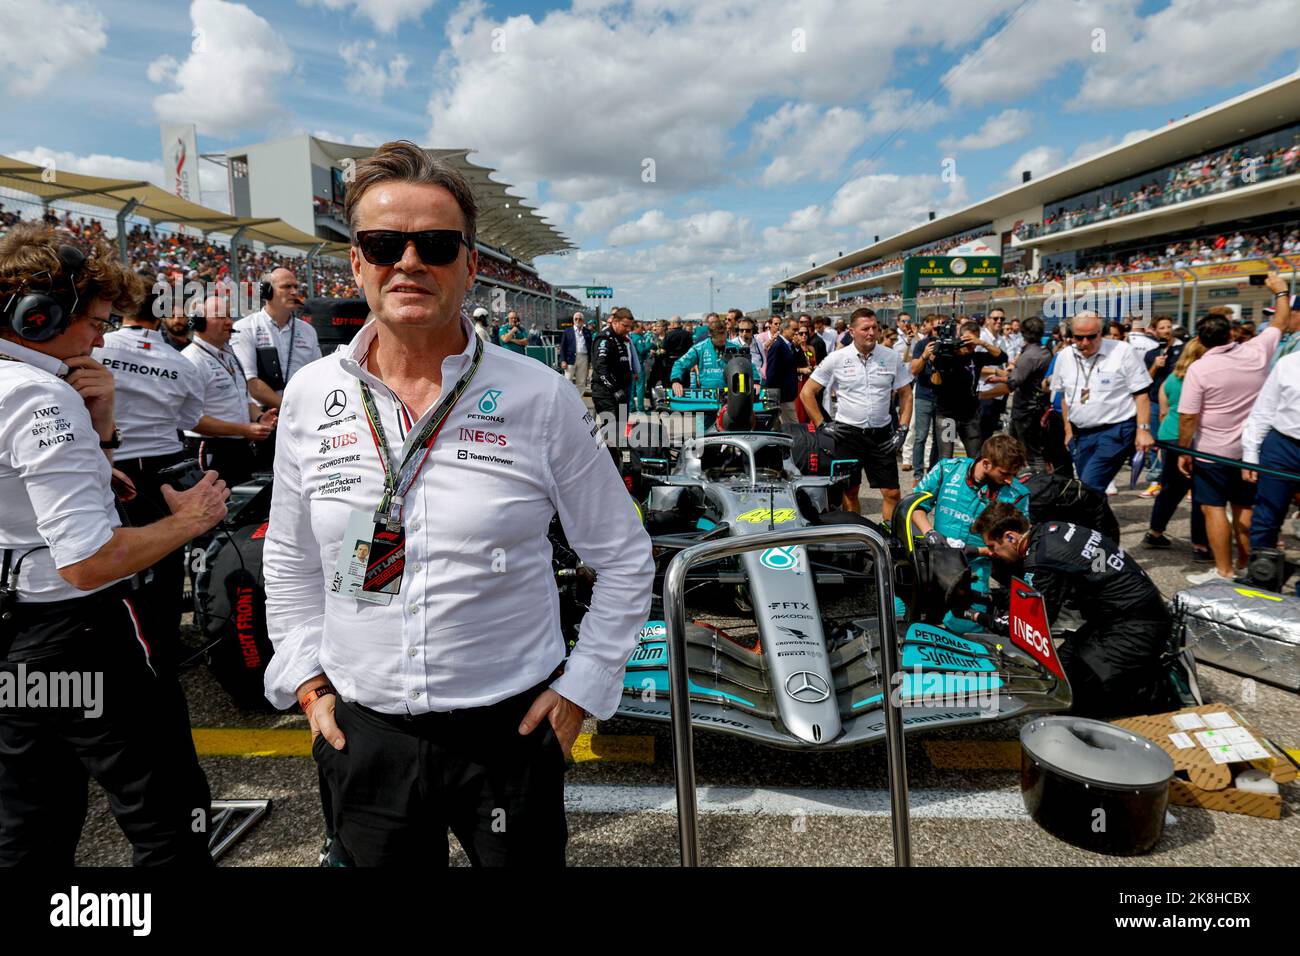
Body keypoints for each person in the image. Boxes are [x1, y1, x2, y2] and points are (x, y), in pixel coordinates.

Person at [262, 141, 653, 867]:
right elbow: (288, 557)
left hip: (510, 733)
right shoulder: (312, 395)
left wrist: (582, 690)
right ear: (356, 262)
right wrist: (309, 687)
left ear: (470, 265)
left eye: (436, 244)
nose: (409, 261)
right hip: (362, 732)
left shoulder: (540, 397)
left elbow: (625, 558)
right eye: (384, 243)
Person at [0, 223, 225, 865]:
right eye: (97, 321)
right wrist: (189, 521)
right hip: (83, 632)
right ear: (38, 318)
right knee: (167, 815)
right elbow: (87, 561)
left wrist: (100, 432)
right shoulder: (39, 394)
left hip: (17, 640)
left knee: (31, 814)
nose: (103, 336)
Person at [975, 502, 1183, 719]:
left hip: (1136, 624)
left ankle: (1162, 705)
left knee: (1077, 691)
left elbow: (1028, 624)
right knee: (1062, 669)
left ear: (1010, 537)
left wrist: (974, 615)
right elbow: (1029, 594)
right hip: (1120, 615)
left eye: (992, 546)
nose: (990, 553)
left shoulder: (1041, 558)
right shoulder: (1050, 530)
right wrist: (981, 596)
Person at [1180, 276, 1292, 584]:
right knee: (1245, 508)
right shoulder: (1257, 351)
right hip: (1249, 449)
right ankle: (1248, 566)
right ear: (1231, 333)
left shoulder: (1199, 368)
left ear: (1200, 342)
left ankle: (1224, 571)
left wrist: (1184, 449)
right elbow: (1281, 321)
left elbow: (1188, 416)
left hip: (1212, 451)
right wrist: (1280, 290)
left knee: (1213, 509)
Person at [909, 435, 1030, 634]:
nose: (1009, 479)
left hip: (975, 567)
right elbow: (914, 506)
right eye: (1005, 473)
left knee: (967, 630)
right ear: (986, 463)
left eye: (1013, 474)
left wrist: (977, 550)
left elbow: (1015, 547)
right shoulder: (947, 469)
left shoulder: (1017, 494)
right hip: (935, 560)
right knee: (907, 615)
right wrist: (929, 532)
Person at [801, 308, 912, 520]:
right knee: (850, 492)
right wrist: (822, 424)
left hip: (881, 435)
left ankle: (888, 538)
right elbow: (807, 392)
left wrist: (903, 428)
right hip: (847, 435)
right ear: (852, 331)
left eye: (875, 328)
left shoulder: (891, 357)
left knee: (892, 492)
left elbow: (906, 395)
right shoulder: (837, 358)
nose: (871, 333)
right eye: (865, 329)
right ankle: (857, 537)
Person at [1051, 310, 1154, 495]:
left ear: (1101, 332)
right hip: (1080, 434)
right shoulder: (1065, 356)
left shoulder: (1123, 351)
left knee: (1090, 488)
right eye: (1079, 337)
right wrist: (1068, 431)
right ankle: (1104, 525)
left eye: (1091, 337)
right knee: (1089, 489)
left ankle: (1080, 523)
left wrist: (1143, 430)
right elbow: (1065, 396)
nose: (1085, 343)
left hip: (1115, 431)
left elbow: (1141, 394)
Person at [181, 293, 277, 487]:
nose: (228, 322)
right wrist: (245, 429)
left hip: (240, 446)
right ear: (198, 322)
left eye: (229, 316)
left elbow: (244, 396)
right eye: (220, 317)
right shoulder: (191, 360)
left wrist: (259, 417)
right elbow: (193, 420)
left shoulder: (229, 354)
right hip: (210, 449)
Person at [1143, 340, 1209, 558]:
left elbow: (1163, 412)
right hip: (1193, 439)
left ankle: (1155, 532)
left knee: (1170, 489)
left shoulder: (1171, 379)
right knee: (1201, 492)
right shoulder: (1204, 377)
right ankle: (1201, 545)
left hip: (1168, 435)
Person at [1242, 348, 1300, 570]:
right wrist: (1250, 454)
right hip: (1282, 447)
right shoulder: (1288, 363)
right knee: (1266, 518)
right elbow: (1264, 410)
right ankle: (1262, 578)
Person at [230, 267, 319, 411]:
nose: (294, 292)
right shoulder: (244, 328)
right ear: (267, 291)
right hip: (266, 416)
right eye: (286, 287)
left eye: (295, 287)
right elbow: (251, 383)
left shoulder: (308, 331)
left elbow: (317, 375)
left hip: (303, 411)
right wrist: (288, 408)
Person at [921, 319, 1004, 460]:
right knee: (946, 458)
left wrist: (981, 343)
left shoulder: (976, 357)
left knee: (975, 456)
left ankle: (972, 481)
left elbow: (1001, 357)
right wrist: (936, 363)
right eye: (966, 339)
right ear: (959, 337)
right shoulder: (947, 353)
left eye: (973, 339)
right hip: (947, 415)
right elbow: (935, 385)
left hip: (969, 415)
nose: (970, 343)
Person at [986, 316, 1050, 473]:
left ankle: (1038, 487)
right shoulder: (1044, 352)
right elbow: (1026, 377)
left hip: (1027, 411)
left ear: (1023, 333)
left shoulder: (1030, 356)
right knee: (1020, 450)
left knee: (1031, 454)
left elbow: (1011, 385)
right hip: (1036, 408)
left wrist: (982, 395)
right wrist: (1000, 377)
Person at [1139, 315, 1180, 498]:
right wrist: (1155, 366)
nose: (1166, 330)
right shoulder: (1150, 354)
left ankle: (1182, 483)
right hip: (1155, 402)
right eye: (1162, 328)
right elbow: (1145, 381)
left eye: (1168, 327)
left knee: (1177, 444)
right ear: (1155, 331)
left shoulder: (1183, 350)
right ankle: (1156, 482)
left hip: (1176, 405)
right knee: (1156, 444)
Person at [907, 314, 942, 475]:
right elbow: (914, 370)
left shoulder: (950, 345)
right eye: (936, 328)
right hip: (924, 396)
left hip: (943, 398)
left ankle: (934, 471)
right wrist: (925, 356)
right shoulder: (922, 344)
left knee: (940, 438)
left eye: (942, 328)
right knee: (920, 435)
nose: (938, 332)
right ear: (929, 328)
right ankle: (918, 473)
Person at [592, 307, 635, 437]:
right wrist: (614, 388)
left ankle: (623, 456)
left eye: (630, 327)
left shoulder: (622, 339)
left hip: (621, 393)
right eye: (625, 326)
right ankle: (609, 456)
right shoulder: (604, 339)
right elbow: (601, 368)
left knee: (622, 431)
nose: (628, 330)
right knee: (611, 431)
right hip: (606, 394)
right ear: (615, 322)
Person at [762, 317, 803, 426]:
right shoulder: (778, 346)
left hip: (787, 394)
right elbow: (771, 372)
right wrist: (772, 395)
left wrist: (798, 348)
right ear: (785, 329)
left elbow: (800, 363)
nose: (796, 333)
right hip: (782, 396)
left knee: (784, 425)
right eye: (794, 330)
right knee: (793, 426)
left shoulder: (789, 345)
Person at [671, 317, 729, 393]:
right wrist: (676, 381)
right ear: (710, 336)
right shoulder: (699, 348)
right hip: (707, 393)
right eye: (720, 341)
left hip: (730, 394)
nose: (723, 343)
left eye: (724, 340)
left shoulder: (734, 347)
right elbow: (680, 364)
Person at [559, 312, 592, 393]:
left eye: (580, 319)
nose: (578, 320)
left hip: (584, 357)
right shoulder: (568, 331)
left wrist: (590, 362)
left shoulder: (587, 332)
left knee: (581, 381)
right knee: (568, 379)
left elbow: (590, 347)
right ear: (573, 320)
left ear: (583, 321)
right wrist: (563, 360)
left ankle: (579, 401)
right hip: (570, 358)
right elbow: (563, 347)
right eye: (576, 319)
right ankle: (568, 399)